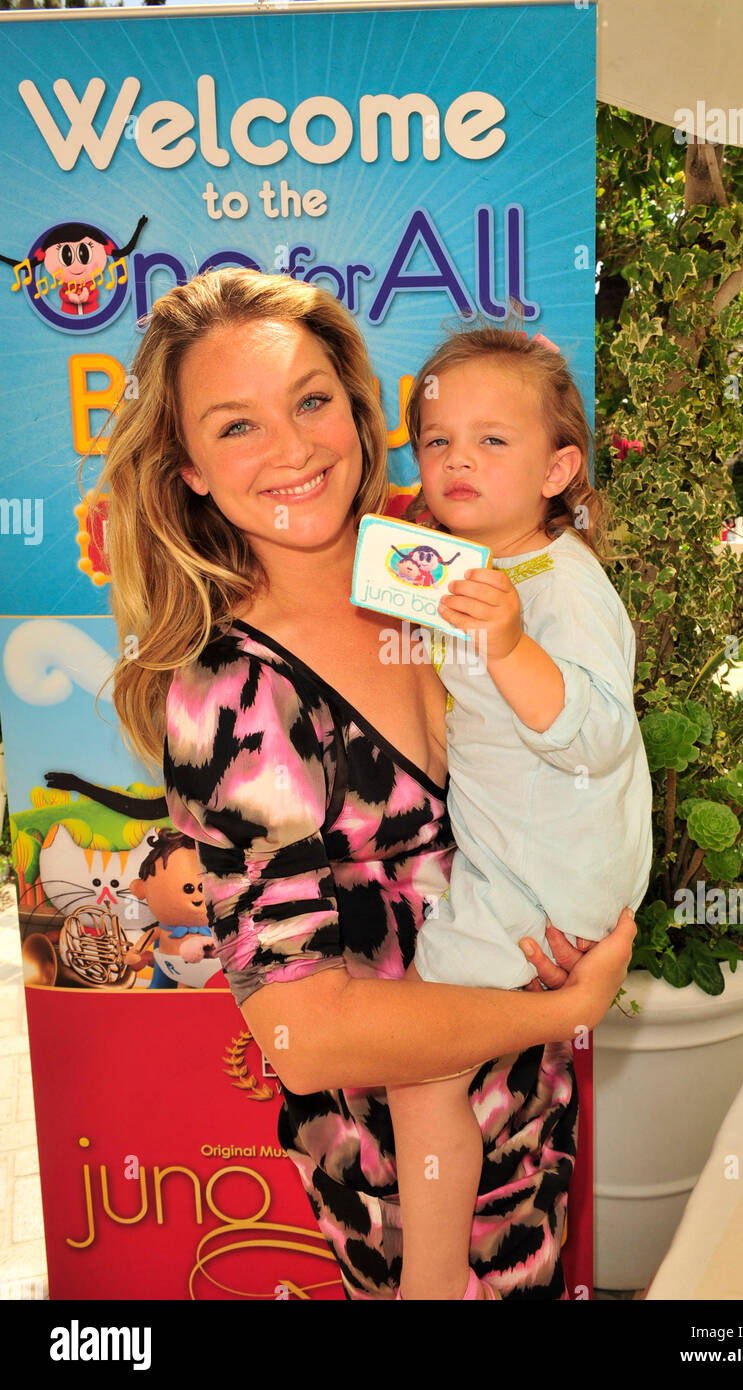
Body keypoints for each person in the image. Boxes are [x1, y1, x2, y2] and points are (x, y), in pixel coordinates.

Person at [98, 267, 637, 1300]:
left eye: (311, 399)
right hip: (414, 1213)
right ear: (191, 471)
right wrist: (568, 1004)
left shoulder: (429, 565)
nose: (295, 448)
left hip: (532, 1135)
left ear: (358, 408)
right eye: (237, 425)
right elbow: (306, 1036)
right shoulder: (231, 696)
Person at [387, 326, 653, 1300]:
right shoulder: (481, 565)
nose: (457, 458)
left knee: (417, 1068)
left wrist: (506, 647)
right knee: (431, 1072)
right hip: (540, 861)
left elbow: (592, 737)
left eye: (493, 440)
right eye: (437, 438)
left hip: (544, 881)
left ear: (560, 468)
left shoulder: (559, 591)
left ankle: (428, 1285)